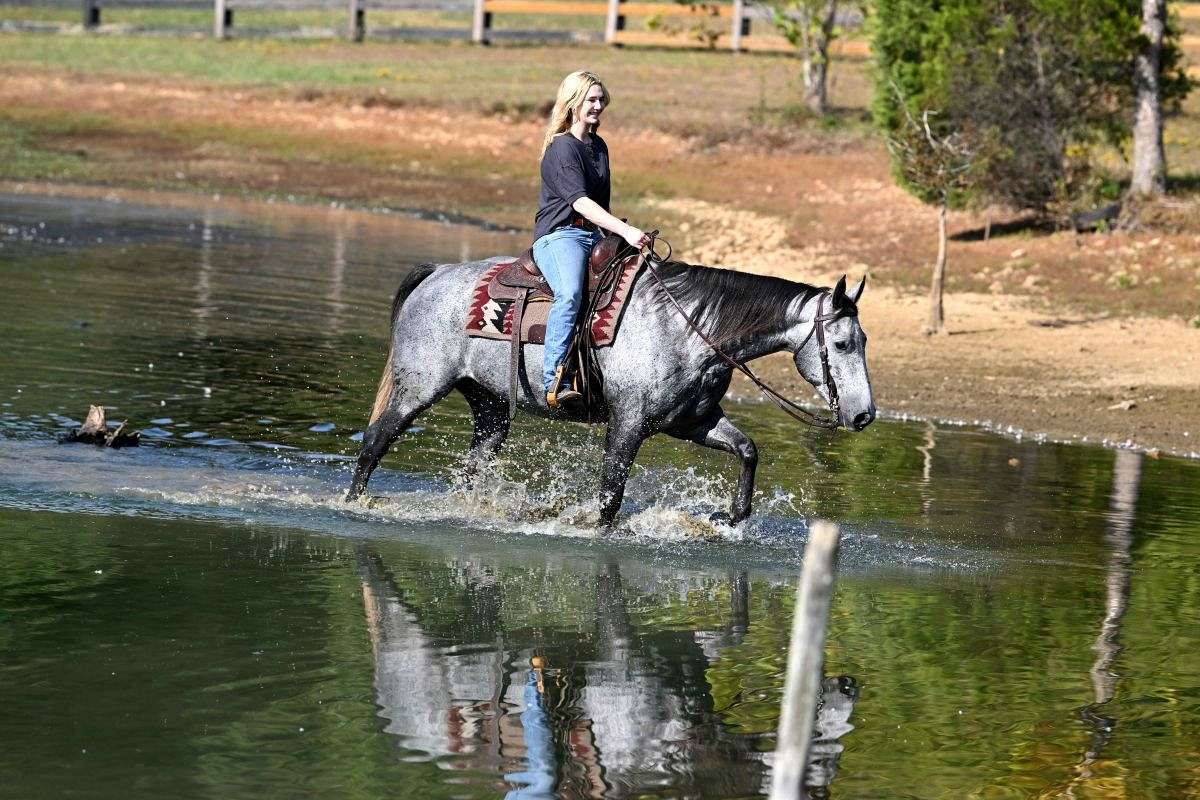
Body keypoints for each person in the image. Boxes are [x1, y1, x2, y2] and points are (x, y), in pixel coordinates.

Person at [533, 70, 650, 411]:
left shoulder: (599, 147)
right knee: (569, 294)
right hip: (560, 236)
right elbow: (581, 202)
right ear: (573, 103)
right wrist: (626, 230)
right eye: (592, 100)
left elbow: (603, 205)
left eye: (602, 100)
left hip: (594, 234)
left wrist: (622, 238)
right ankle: (555, 380)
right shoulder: (561, 148)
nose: (598, 106)